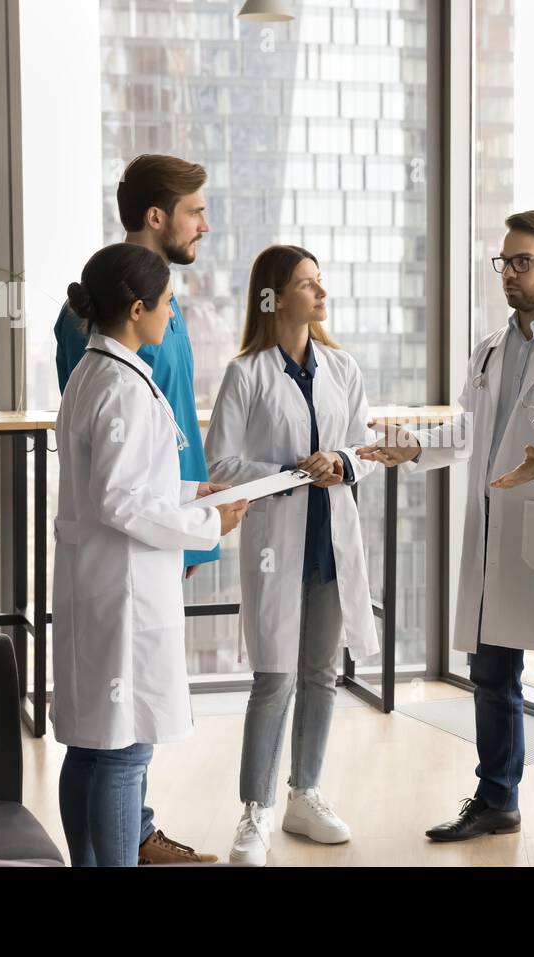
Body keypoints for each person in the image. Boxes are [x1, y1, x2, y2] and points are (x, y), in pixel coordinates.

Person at [358, 211, 534, 866]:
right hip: (495, 540)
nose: (508, 273)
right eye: (503, 262)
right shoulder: (488, 348)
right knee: (492, 675)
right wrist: (411, 446)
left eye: (521, 261)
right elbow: (469, 433)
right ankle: (496, 798)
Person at [51, 242, 249, 867]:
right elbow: (121, 500)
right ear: (137, 308)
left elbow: (120, 481)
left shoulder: (97, 372)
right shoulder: (120, 384)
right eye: (167, 303)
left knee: (91, 746)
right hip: (124, 591)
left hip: (104, 584)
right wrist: (207, 521)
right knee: (126, 749)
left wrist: (193, 491)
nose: (172, 314)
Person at [204, 245, 378, 867]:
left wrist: (342, 463)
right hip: (279, 543)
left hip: (331, 543)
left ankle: (305, 793)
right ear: (274, 297)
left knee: (321, 675)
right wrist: (289, 472)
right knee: (273, 678)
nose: (320, 292)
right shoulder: (246, 372)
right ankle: (256, 813)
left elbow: (363, 448)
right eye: (307, 284)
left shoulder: (342, 366)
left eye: (320, 281)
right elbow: (219, 465)